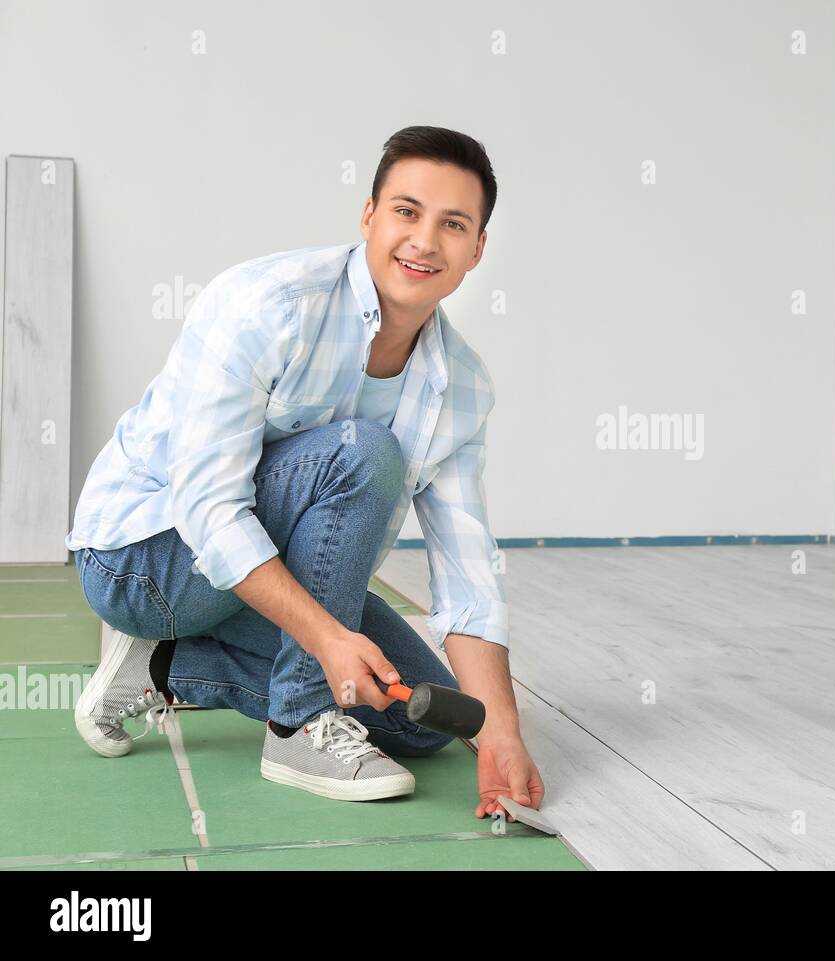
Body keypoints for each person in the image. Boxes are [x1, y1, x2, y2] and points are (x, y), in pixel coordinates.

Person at [65, 125, 544, 817]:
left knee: (426, 717)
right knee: (363, 451)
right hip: (142, 557)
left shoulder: (461, 388)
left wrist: (500, 732)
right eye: (407, 211)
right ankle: (295, 725)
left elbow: (469, 575)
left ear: (477, 249)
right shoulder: (268, 303)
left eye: (453, 224)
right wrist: (324, 642)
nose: (424, 240)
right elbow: (208, 509)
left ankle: (164, 665)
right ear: (370, 216)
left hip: (247, 570)